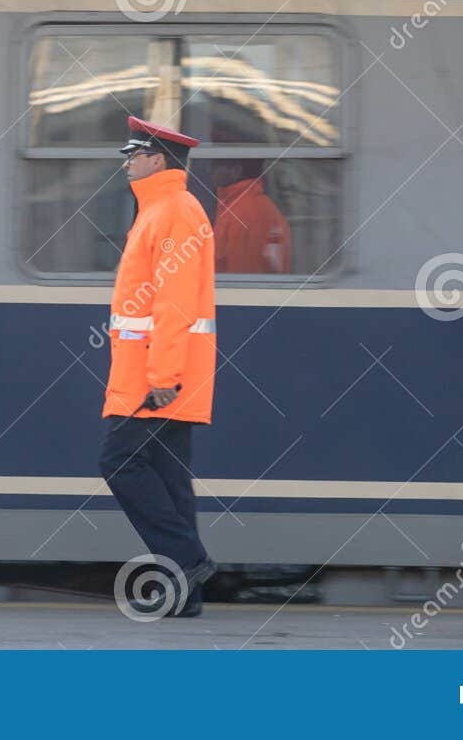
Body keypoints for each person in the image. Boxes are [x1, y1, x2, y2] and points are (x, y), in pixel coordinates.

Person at [98, 115, 218, 618]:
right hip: (154, 371)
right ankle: (184, 591)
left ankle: (188, 561)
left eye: (134, 154)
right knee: (169, 477)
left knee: (119, 462)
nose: (128, 163)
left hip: (157, 377)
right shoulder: (163, 209)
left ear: (158, 159)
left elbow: (173, 304)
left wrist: (163, 379)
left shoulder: (172, 212)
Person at [212, 158, 293, 275]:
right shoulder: (267, 208)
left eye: (216, 166)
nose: (211, 172)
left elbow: (241, 279)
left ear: (235, 171)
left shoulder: (240, 215)